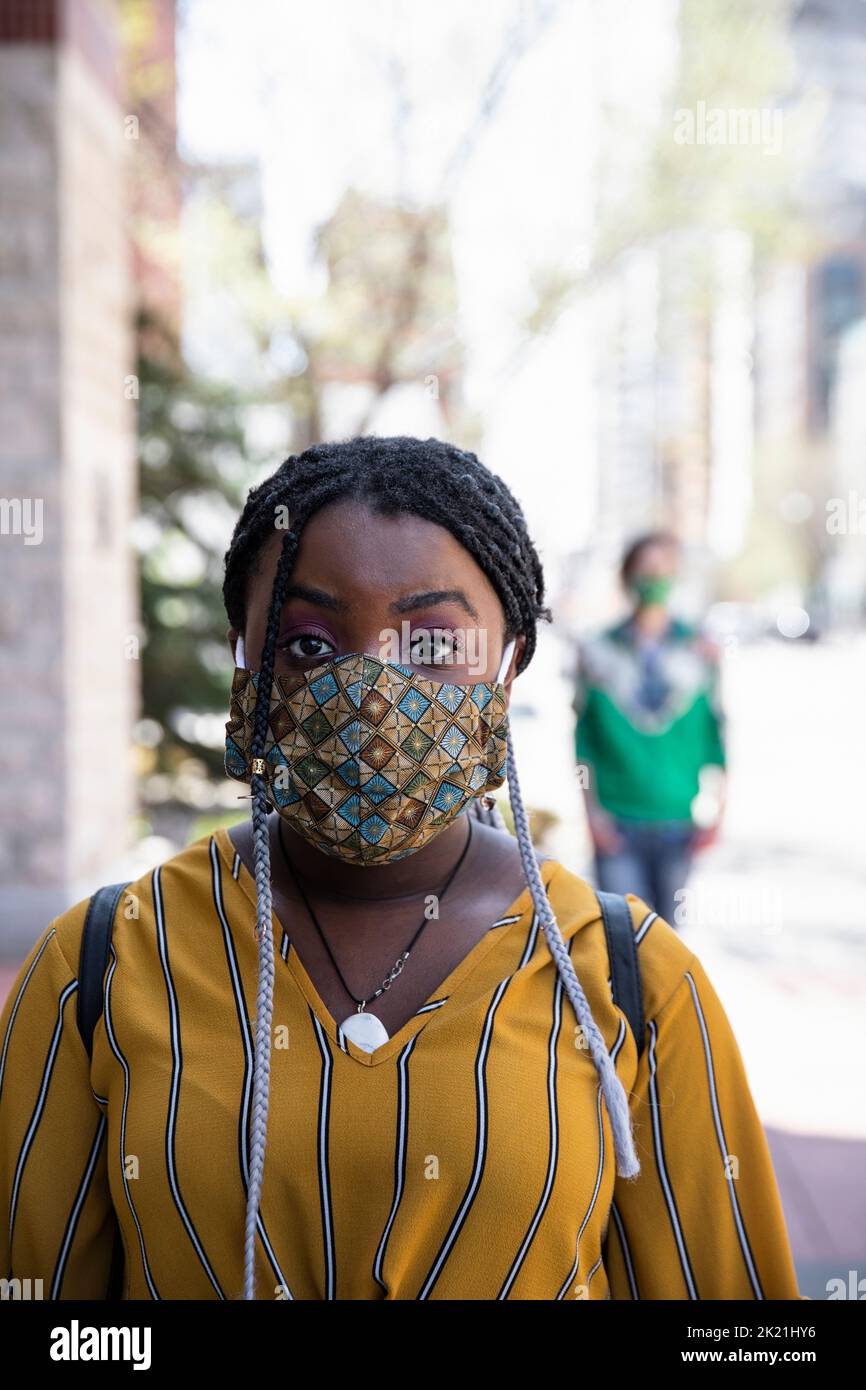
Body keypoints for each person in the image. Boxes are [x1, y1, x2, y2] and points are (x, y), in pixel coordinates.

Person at [0, 437, 801, 1300]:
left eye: (430, 644)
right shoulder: (100, 967)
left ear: (509, 662)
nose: (374, 690)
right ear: (245, 663)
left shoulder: (629, 981)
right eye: (309, 645)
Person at [573, 531, 727, 929]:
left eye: (664, 569)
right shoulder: (597, 653)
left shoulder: (700, 651)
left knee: (666, 947)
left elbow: (717, 735)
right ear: (627, 577)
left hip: (678, 821)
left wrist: (719, 811)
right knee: (621, 941)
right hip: (617, 822)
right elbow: (583, 743)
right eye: (645, 569)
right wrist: (591, 814)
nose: (654, 579)